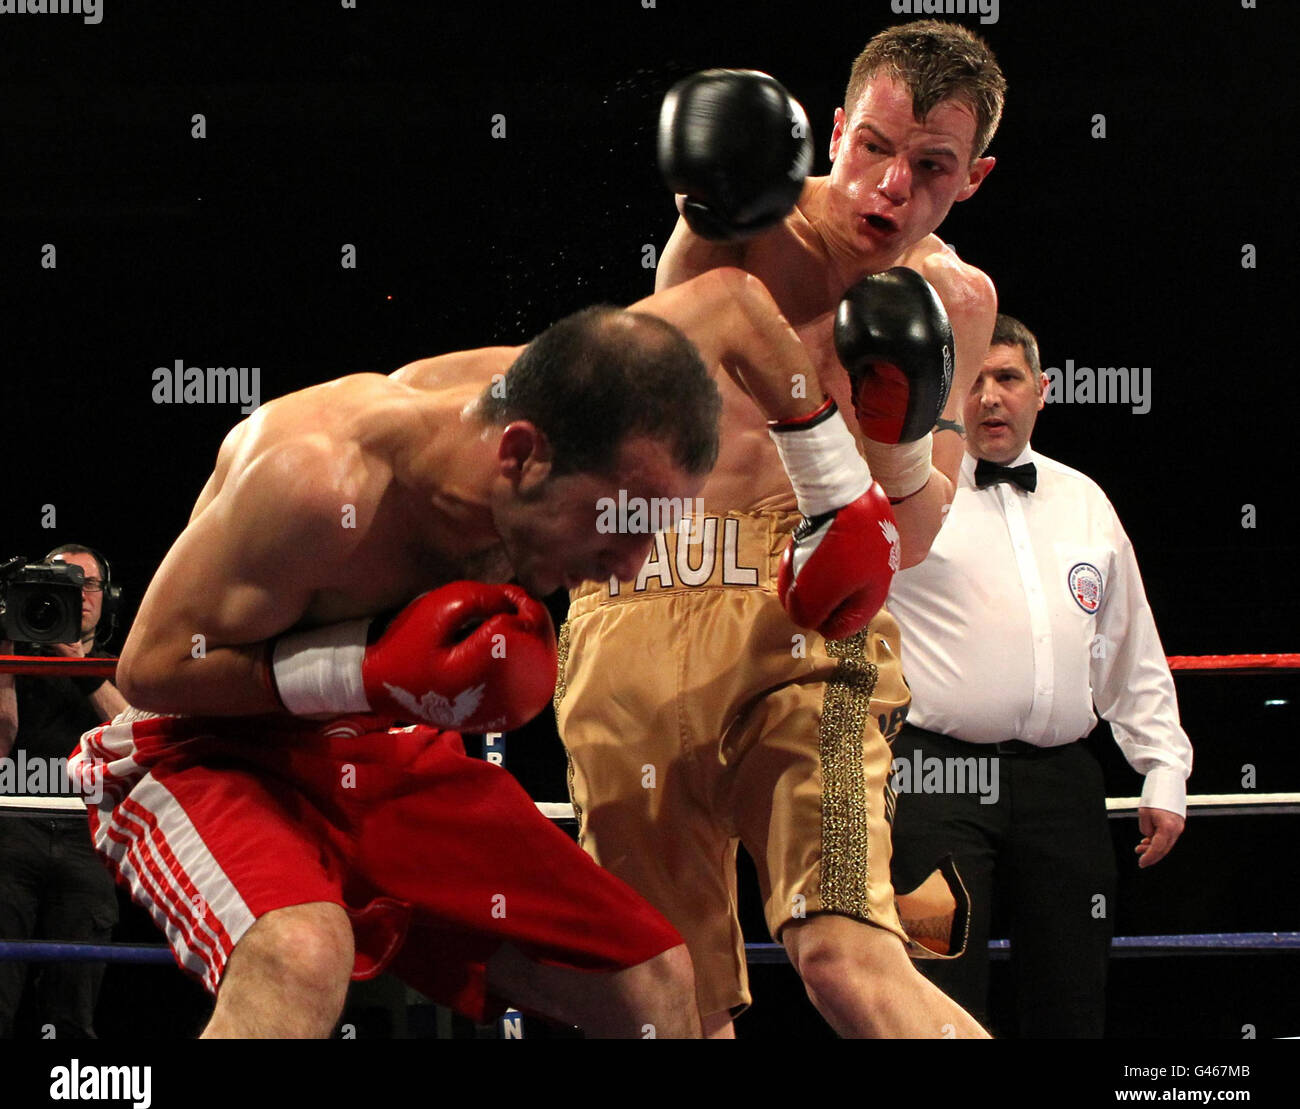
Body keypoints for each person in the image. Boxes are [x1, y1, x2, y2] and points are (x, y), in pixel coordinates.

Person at [68, 268, 894, 1038]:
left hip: (381, 742)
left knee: (652, 976)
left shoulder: (589, 383)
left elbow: (731, 302)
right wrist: (359, 667)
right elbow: (151, 667)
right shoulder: (317, 480)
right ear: (520, 456)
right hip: (206, 745)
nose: (631, 565)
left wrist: (836, 487)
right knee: (301, 953)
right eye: (616, 524)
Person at [556, 19, 1004, 1037]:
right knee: (667, 1005)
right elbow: (649, 385)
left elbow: (918, 530)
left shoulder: (960, 303)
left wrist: (893, 450)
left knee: (847, 957)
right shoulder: (739, 221)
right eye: (875, 149)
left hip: (815, 631)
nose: (892, 187)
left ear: (971, 177)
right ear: (837, 130)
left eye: (930, 168)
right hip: (645, 607)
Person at [886, 314, 1193, 1036]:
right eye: (975, 380)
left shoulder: (1085, 499)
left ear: (1043, 391)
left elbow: (1128, 647)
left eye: (1009, 378)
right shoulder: (906, 490)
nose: (991, 397)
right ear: (948, 391)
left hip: (1063, 782)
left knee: (1072, 989)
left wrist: (1163, 767)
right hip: (937, 777)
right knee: (938, 990)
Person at [0, 544, 129, 1038]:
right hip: (12, 828)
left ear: (106, 597)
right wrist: (10, 645)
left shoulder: (126, 662)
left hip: (87, 836)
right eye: (59, 583)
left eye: (85, 584)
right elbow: (3, 738)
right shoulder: (10, 659)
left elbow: (131, 732)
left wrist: (73, 659)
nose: (74, 594)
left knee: (72, 1010)